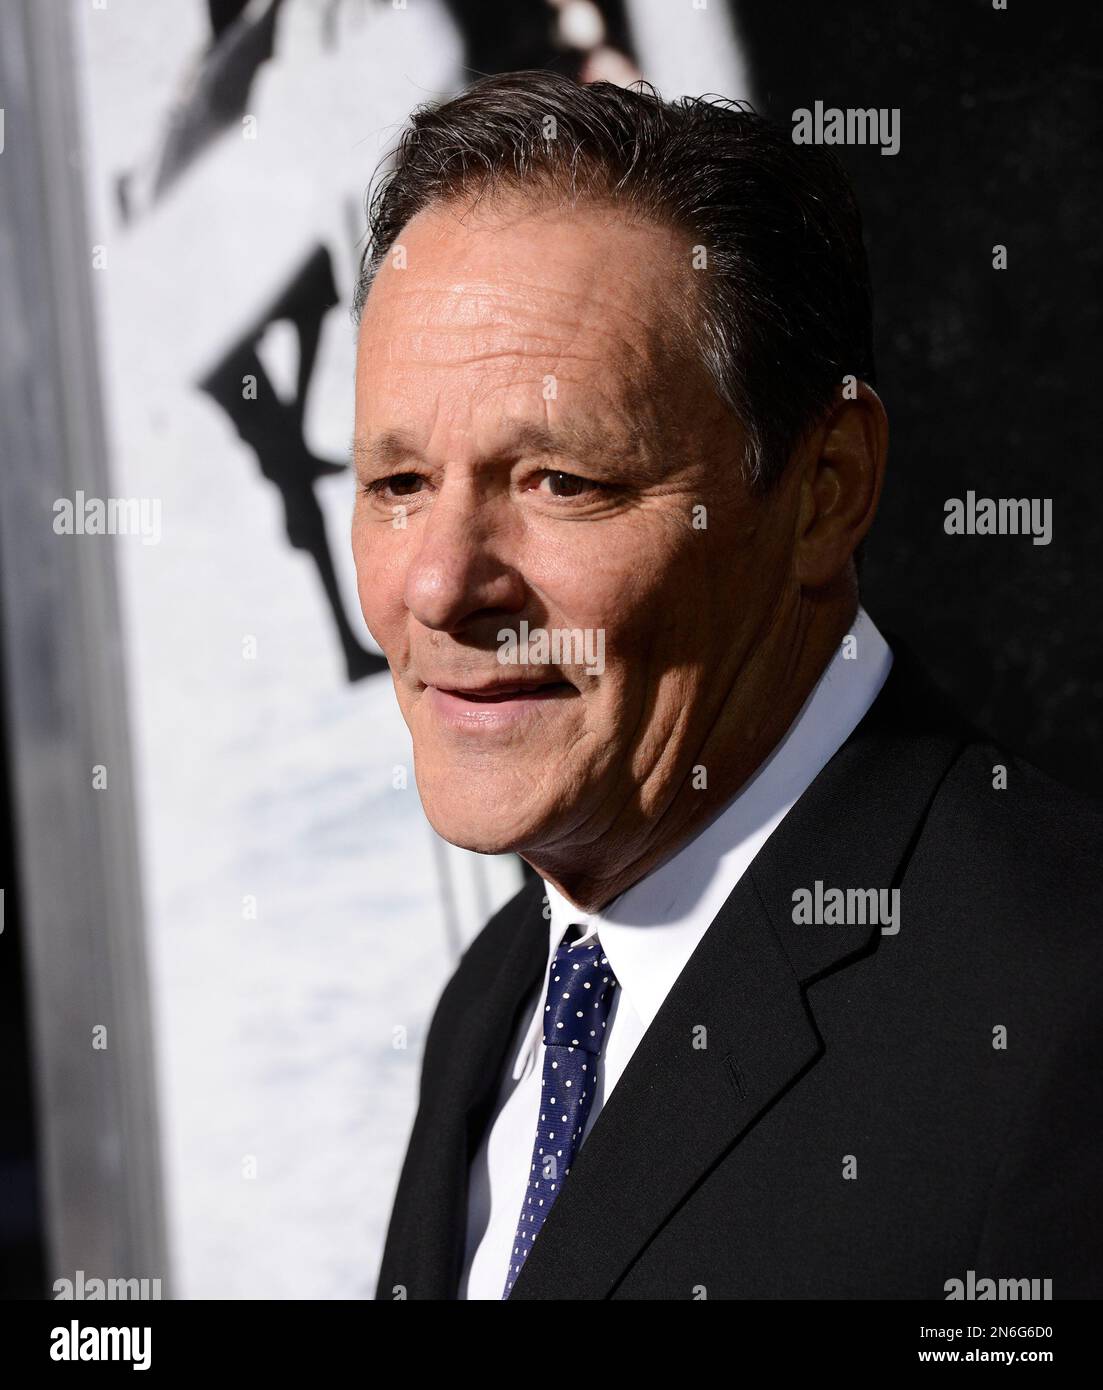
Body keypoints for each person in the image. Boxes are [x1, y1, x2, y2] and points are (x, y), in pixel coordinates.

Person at [350, 71, 1103, 1300]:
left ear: (824, 492)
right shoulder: (498, 996)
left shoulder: (1056, 1016)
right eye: (396, 486)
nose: (437, 585)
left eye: (561, 482)